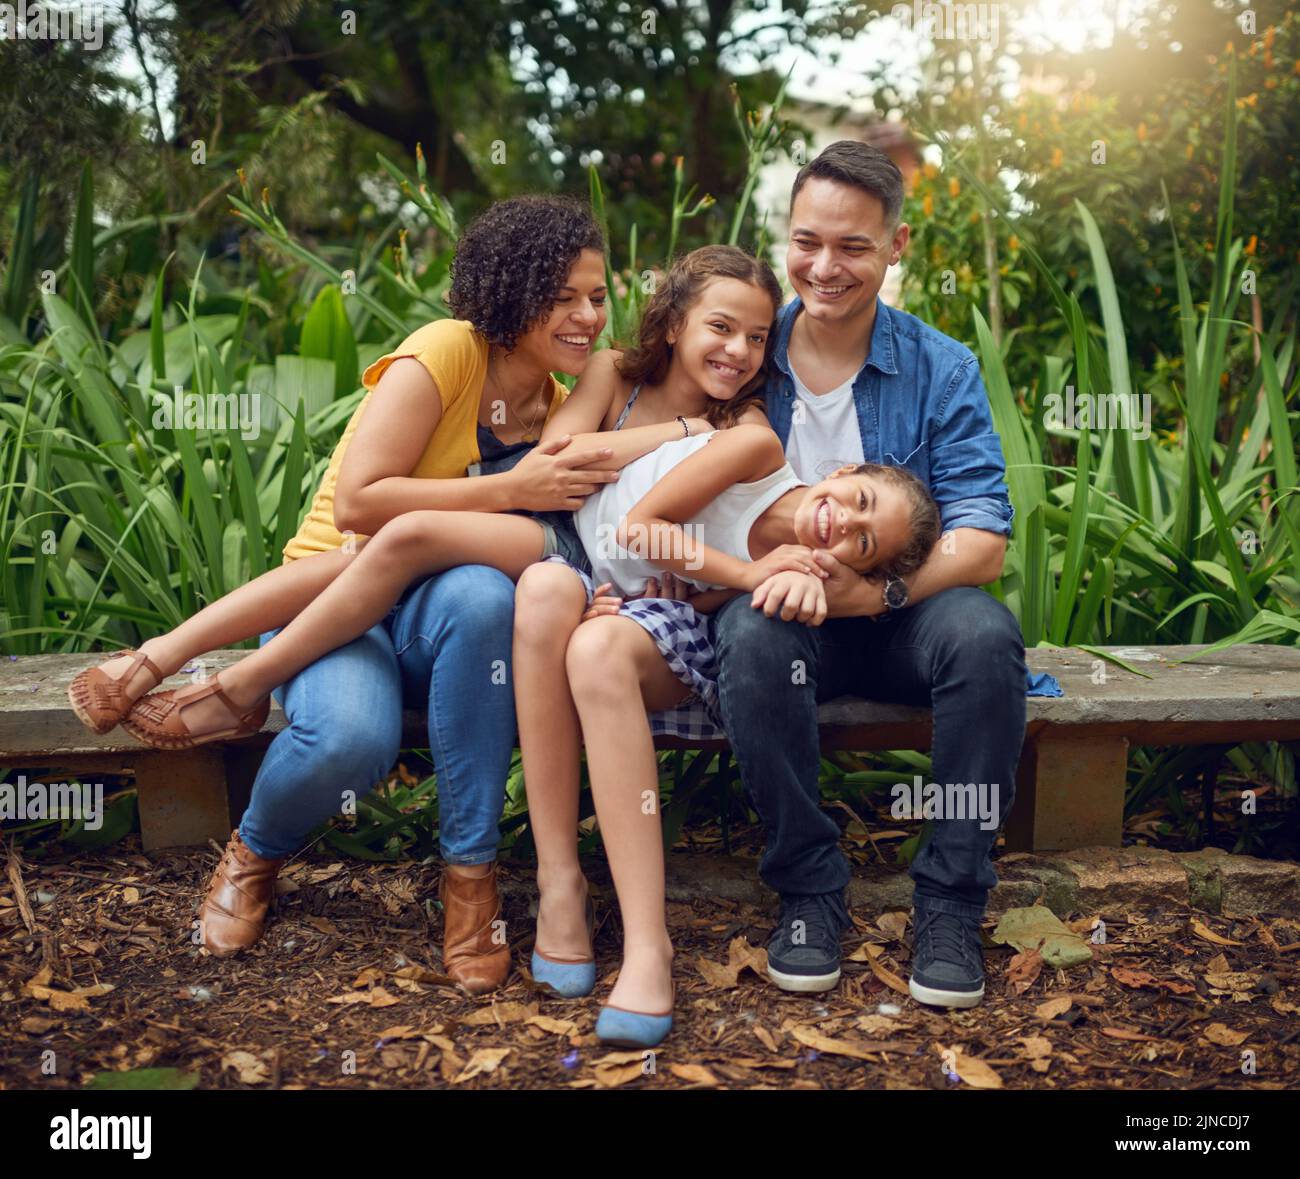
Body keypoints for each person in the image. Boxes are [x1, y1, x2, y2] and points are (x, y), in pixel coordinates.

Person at [66, 195, 671, 994]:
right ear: (509, 291)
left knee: (485, 598)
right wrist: (513, 488)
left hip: (438, 626)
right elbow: (359, 503)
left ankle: (471, 881)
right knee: (350, 739)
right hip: (331, 605)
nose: (588, 316)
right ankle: (254, 851)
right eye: (562, 297)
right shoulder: (448, 353)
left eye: (597, 297)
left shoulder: (563, 413)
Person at [708, 141, 1027, 1009]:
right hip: (785, 612)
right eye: (808, 240)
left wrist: (876, 591)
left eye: (853, 246)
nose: (824, 266)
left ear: (898, 245)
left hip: (899, 622)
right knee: (749, 632)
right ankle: (809, 889)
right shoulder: (740, 354)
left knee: (984, 631)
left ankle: (952, 901)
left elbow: (983, 537)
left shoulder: (941, 367)